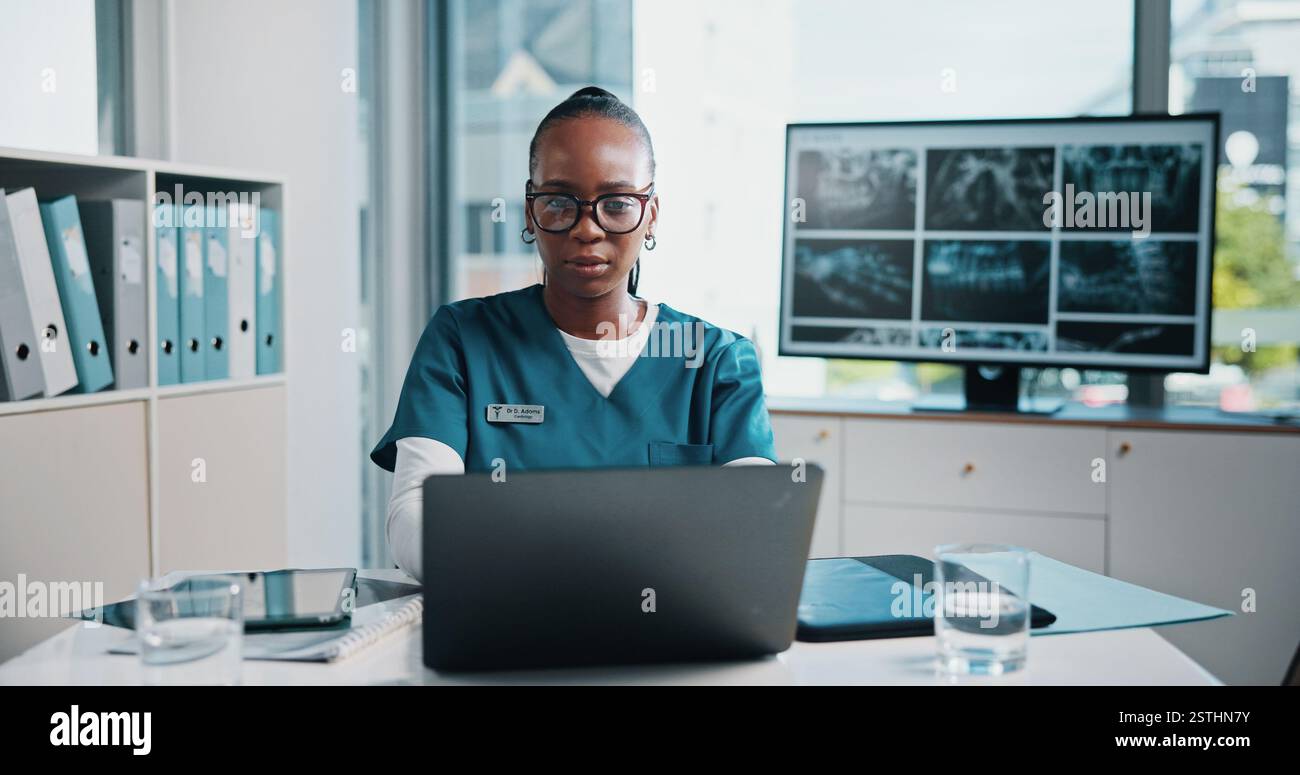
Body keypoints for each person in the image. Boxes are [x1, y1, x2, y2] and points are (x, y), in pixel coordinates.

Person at [370, 86, 775, 582]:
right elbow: (414, 514)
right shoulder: (461, 340)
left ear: (649, 214)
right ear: (528, 210)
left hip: (670, 639)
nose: (587, 229)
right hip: (507, 626)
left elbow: (755, 528)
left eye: (617, 203)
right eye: (560, 201)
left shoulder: (718, 360)